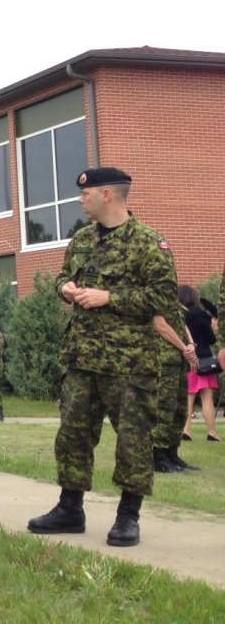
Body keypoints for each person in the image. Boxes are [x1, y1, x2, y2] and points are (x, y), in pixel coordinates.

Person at [27, 167, 179, 549]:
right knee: (72, 435)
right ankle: (70, 509)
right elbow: (64, 277)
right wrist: (67, 288)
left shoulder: (148, 244)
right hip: (82, 357)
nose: (80, 199)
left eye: (85, 194)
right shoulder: (80, 240)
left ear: (107, 194)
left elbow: (162, 298)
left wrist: (109, 297)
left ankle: (128, 517)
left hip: (128, 365)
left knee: (132, 440)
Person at [150, 303, 198, 473]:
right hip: (164, 359)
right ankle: (158, 456)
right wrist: (184, 348)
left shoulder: (172, 297)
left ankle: (172, 452)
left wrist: (191, 344)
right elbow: (160, 325)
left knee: (180, 409)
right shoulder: (156, 294)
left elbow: (181, 323)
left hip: (178, 360)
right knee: (164, 409)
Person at [181, 284, 221, 442]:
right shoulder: (201, 315)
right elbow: (211, 339)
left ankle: (186, 429)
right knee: (206, 398)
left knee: (188, 397)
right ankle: (212, 432)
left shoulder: (179, 315)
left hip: (186, 358)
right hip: (203, 359)